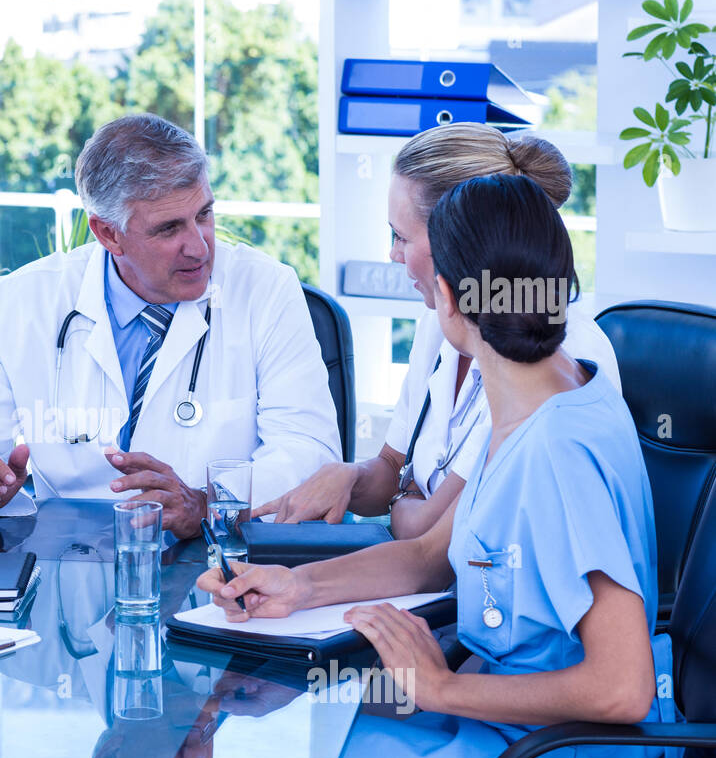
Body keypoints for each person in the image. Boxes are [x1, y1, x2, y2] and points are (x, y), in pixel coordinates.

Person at [199, 174, 680, 758]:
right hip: (507, 740)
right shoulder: (540, 393)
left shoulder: (558, 449)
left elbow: (623, 688)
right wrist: (297, 586)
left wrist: (445, 688)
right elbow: (431, 554)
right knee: (307, 747)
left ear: (449, 302)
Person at [0, 114, 341, 539]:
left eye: (204, 215)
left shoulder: (266, 290)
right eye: (169, 228)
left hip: (214, 561)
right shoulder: (23, 302)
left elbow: (311, 453)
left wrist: (211, 503)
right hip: (70, 568)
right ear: (108, 234)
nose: (199, 246)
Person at [255, 124, 620, 539]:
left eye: (401, 236)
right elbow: (394, 468)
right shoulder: (441, 320)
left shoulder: (562, 351)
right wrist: (352, 477)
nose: (393, 255)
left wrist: (404, 504)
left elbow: (434, 541)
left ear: (460, 234)